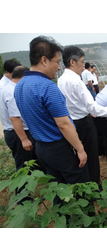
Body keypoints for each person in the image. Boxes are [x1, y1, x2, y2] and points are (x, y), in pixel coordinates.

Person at [14, 36, 90, 206]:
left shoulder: (20, 85)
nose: (58, 67)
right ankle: (87, 221)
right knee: (80, 184)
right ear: (44, 60)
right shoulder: (47, 86)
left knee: (57, 186)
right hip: (59, 146)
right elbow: (63, 124)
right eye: (56, 62)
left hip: (41, 146)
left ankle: (62, 216)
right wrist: (80, 149)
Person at [57, 46, 107, 178]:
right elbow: (93, 108)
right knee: (90, 155)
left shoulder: (61, 79)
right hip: (83, 122)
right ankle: (94, 184)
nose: (83, 65)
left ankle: (83, 180)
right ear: (72, 62)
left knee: (79, 153)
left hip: (71, 122)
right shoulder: (76, 81)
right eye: (82, 61)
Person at [0, 66, 38, 171]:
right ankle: (23, 187)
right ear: (24, 77)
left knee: (34, 162)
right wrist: (24, 139)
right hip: (18, 133)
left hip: (17, 132)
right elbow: (14, 118)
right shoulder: (13, 91)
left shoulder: (8, 87)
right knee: (23, 167)